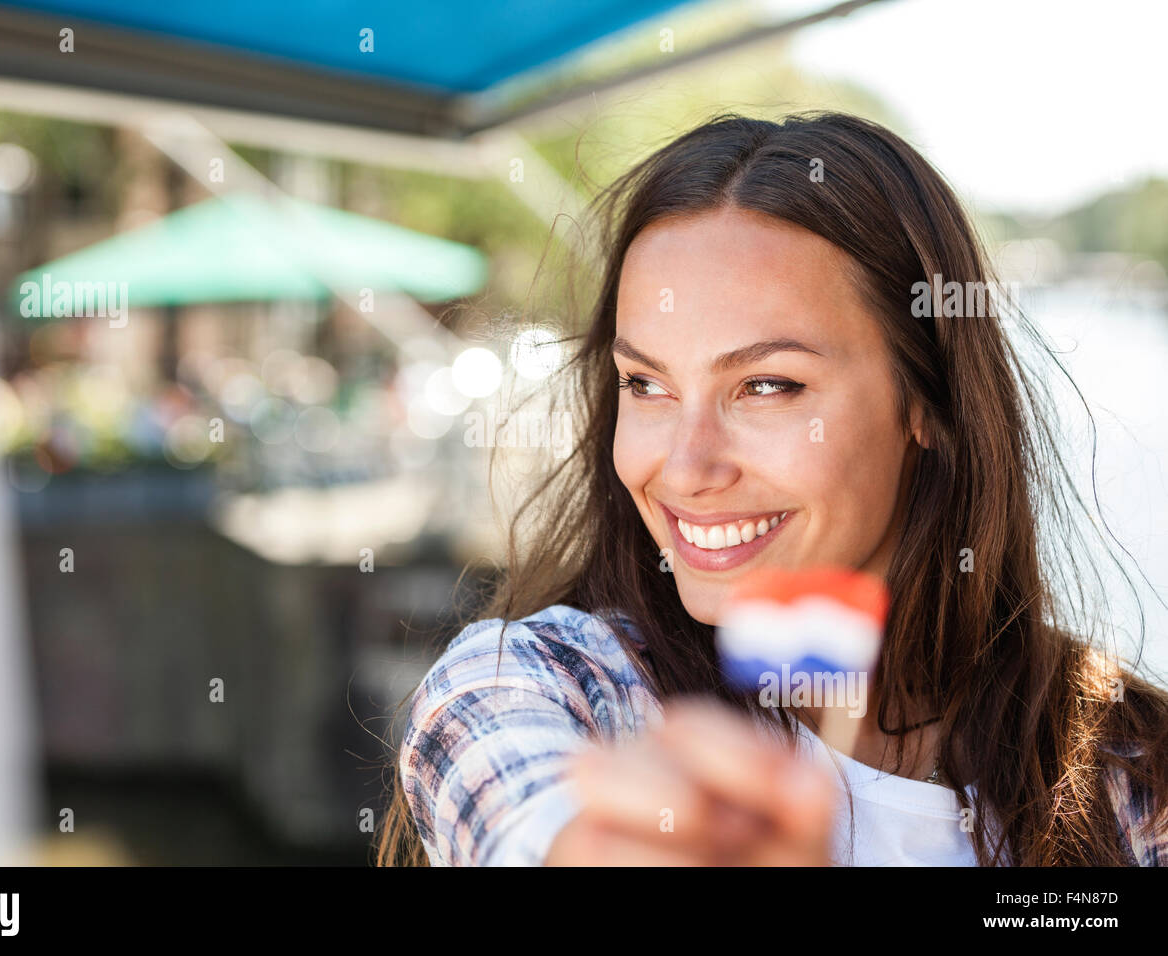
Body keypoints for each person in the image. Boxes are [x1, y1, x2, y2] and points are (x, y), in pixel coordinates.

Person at [376, 111, 1168, 866]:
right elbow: (515, 790)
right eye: (646, 384)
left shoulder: (1128, 767)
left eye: (767, 386)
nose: (686, 468)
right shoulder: (555, 682)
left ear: (927, 402)